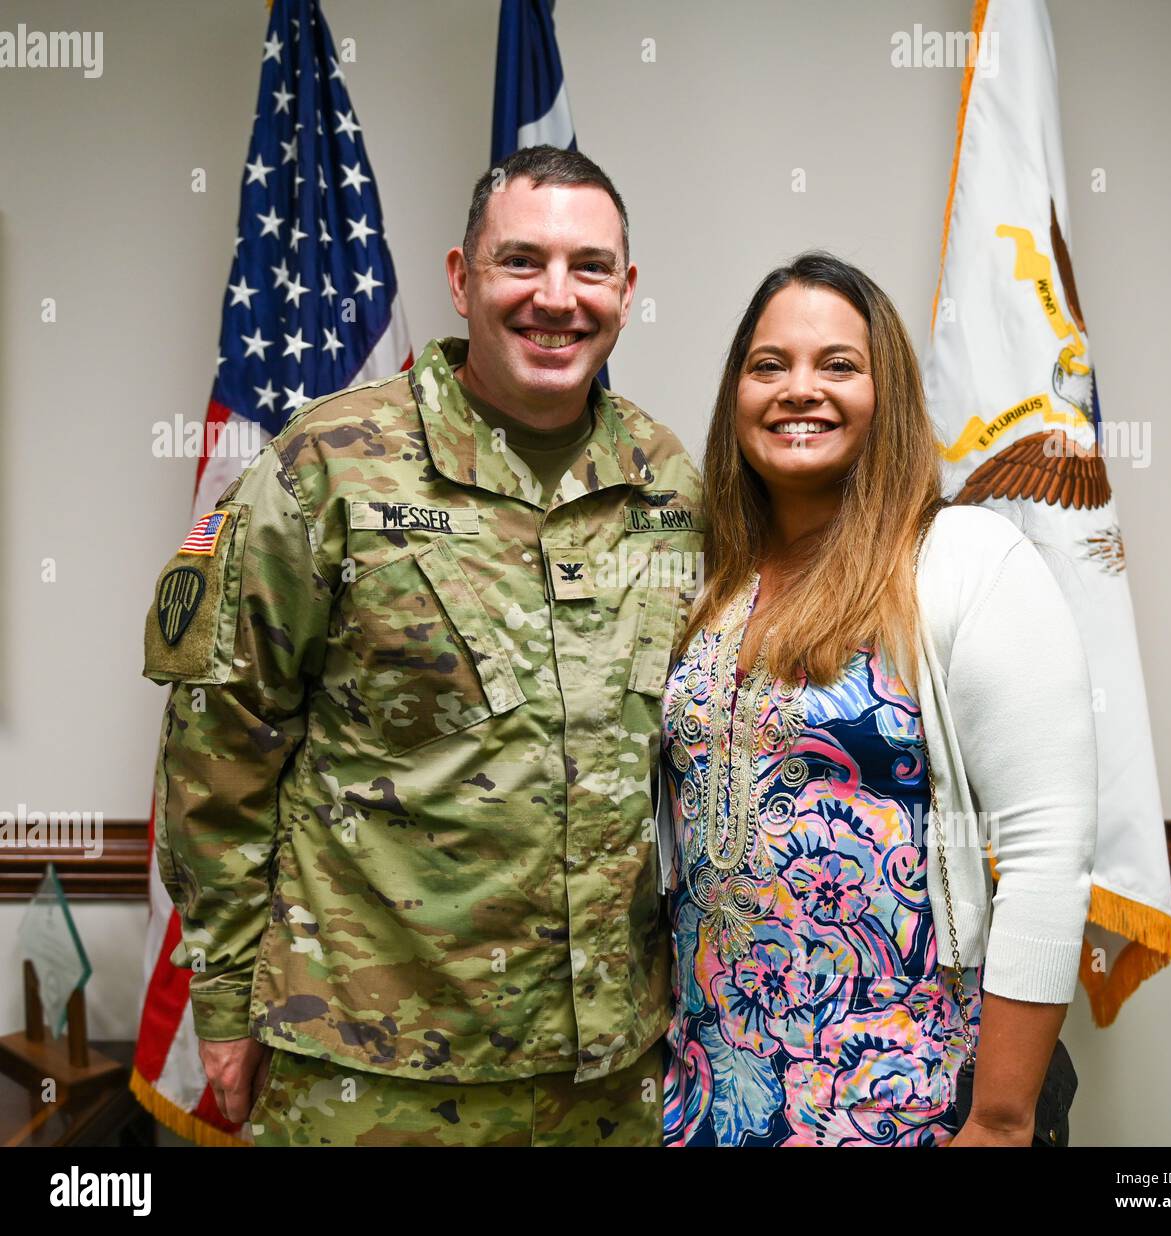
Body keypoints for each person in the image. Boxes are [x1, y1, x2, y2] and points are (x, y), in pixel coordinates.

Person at [143, 146, 705, 1146]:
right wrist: (225, 1001)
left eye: (588, 267)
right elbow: (217, 750)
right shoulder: (327, 468)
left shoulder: (668, 486)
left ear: (626, 290)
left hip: (607, 1072)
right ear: (460, 278)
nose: (555, 297)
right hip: (371, 1066)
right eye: (520, 261)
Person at [660, 251, 1097, 1147]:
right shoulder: (708, 579)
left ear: (885, 391)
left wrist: (1003, 1123)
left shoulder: (965, 558)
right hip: (711, 1096)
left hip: (906, 1101)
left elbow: (1048, 849)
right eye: (769, 365)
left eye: (838, 365)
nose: (799, 390)